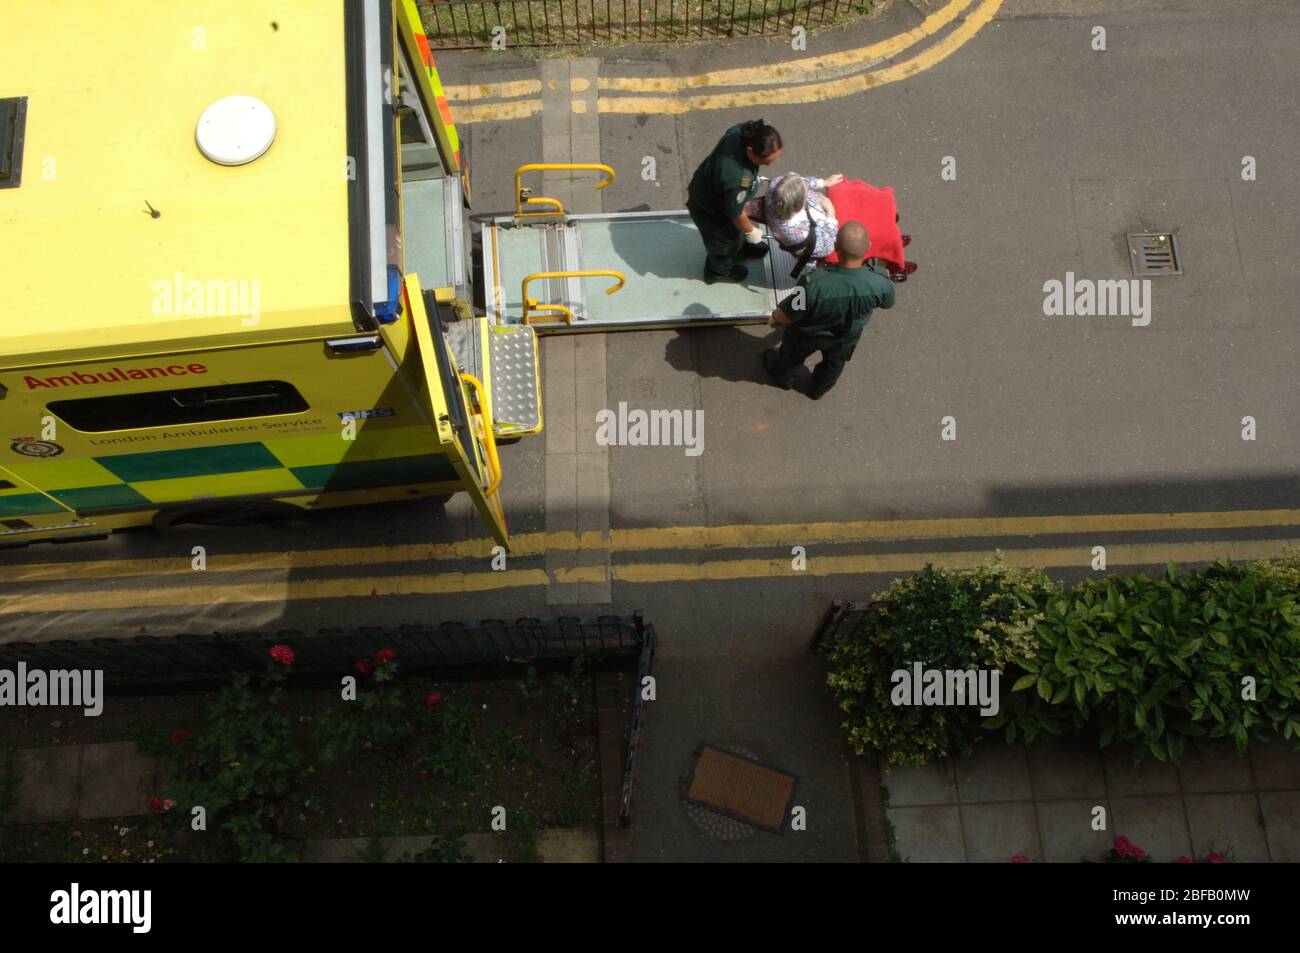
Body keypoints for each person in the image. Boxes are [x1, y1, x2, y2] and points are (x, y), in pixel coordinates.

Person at [762, 221, 895, 399]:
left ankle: (784, 377)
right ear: (868, 247)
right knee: (834, 365)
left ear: (835, 247)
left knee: (790, 356)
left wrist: (775, 318)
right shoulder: (881, 282)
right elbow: (888, 303)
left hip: (806, 336)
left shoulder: (812, 283)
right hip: (845, 338)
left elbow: (788, 314)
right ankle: (818, 389)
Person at [686, 119, 783, 284]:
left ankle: (741, 247)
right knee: (723, 244)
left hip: (710, 185)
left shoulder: (741, 133)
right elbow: (736, 212)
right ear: (750, 151)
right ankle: (718, 272)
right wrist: (751, 231)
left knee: (735, 234)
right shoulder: (738, 178)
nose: (769, 164)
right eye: (767, 160)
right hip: (710, 208)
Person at [747, 172, 845, 265]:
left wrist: (822, 182)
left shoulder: (776, 185)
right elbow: (827, 248)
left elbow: (798, 182)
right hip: (817, 240)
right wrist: (830, 212)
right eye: (806, 193)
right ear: (800, 206)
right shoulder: (796, 233)